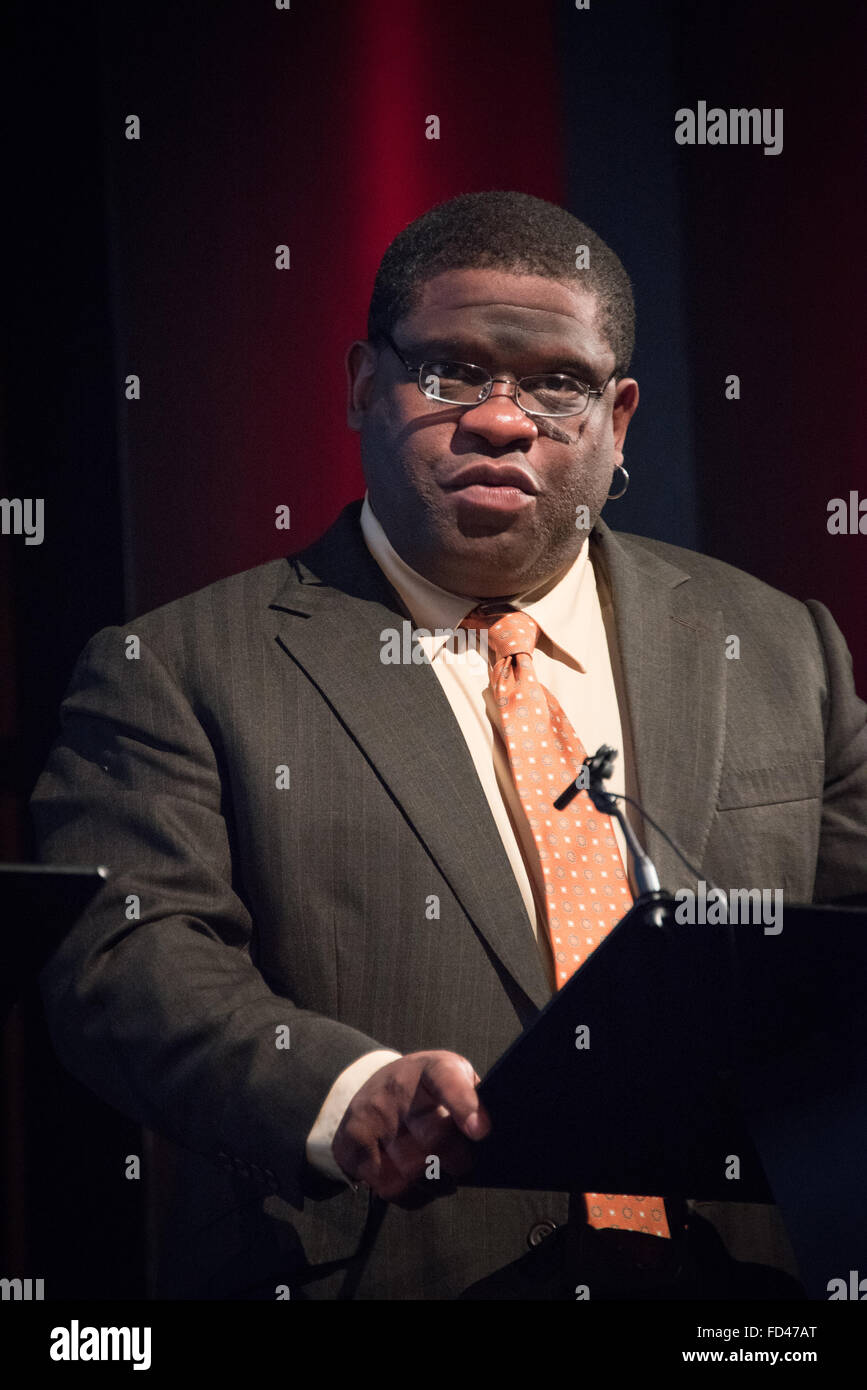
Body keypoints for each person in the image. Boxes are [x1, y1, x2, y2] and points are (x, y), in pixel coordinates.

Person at [30, 191, 867, 1300]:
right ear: (364, 386)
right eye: (453, 371)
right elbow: (121, 957)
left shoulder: (775, 643)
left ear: (618, 420)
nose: (502, 420)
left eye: (557, 384)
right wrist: (345, 1092)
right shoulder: (180, 667)